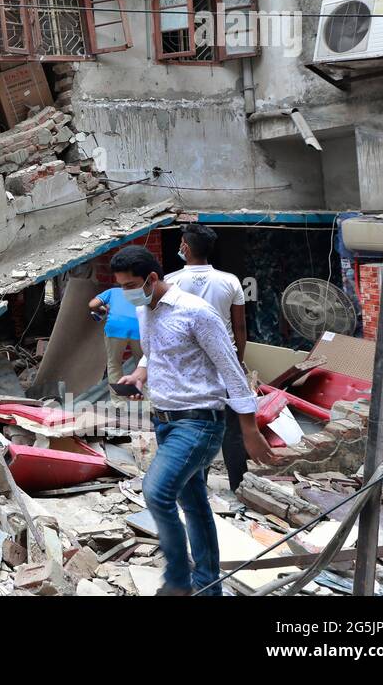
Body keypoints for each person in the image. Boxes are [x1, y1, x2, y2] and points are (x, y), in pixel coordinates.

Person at [111, 246, 277, 596]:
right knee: (194, 504)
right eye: (121, 285)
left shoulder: (196, 313)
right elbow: (152, 352)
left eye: (131, 285)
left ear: (153, 278)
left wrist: (248, 429)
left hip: (200, 422)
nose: (127, 292)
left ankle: (178, 582)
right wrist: (140, 374)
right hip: (165, 421)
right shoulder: (145, 309)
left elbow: (232, 370)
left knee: (156, 492)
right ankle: (208, 586)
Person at [165, 223, 251, 491]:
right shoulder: (230, 281)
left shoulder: (171, 282)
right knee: (232, 430)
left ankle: (196, 486)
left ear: (186, 248)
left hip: (188, 367)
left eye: (181, 243)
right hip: (224, 362)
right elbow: (240, 328)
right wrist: (237, 361)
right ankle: (239, 485)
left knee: (194, 427)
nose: (179, 247)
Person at [88, 285, 143, 399]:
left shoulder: (112, 291)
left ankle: (119, 404)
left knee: (114, 364)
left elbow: (92, 304)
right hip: (138, 327)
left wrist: (103, 309)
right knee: (143, 365)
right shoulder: (142, 292)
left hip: (115, 328)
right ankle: (148, 405)